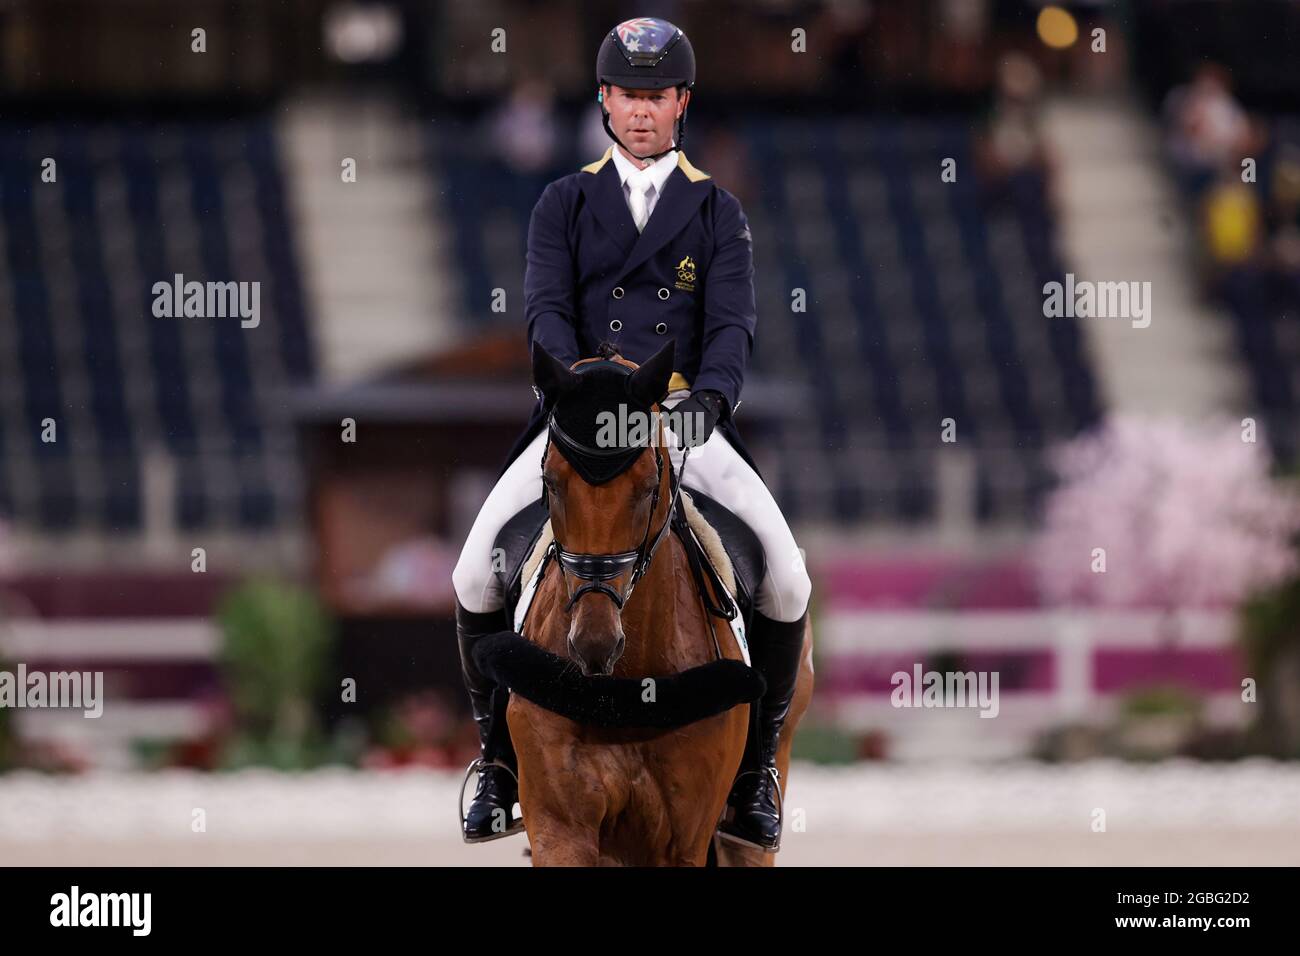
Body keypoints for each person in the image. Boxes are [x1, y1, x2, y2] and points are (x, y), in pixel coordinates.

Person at [451, 16, 812, 851]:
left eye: (656, 96)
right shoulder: (562, 203)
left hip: (678, 420)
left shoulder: (717, 211)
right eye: (627, 95)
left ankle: (754, 774)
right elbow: (544, 308)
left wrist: (709, 403)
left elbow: (731, 328)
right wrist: (573, 391)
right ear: (605, 101)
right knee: (475, 572)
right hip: (578, 421)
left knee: (787, 580)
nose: (641, 111)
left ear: (680, 102)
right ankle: (496, 768)